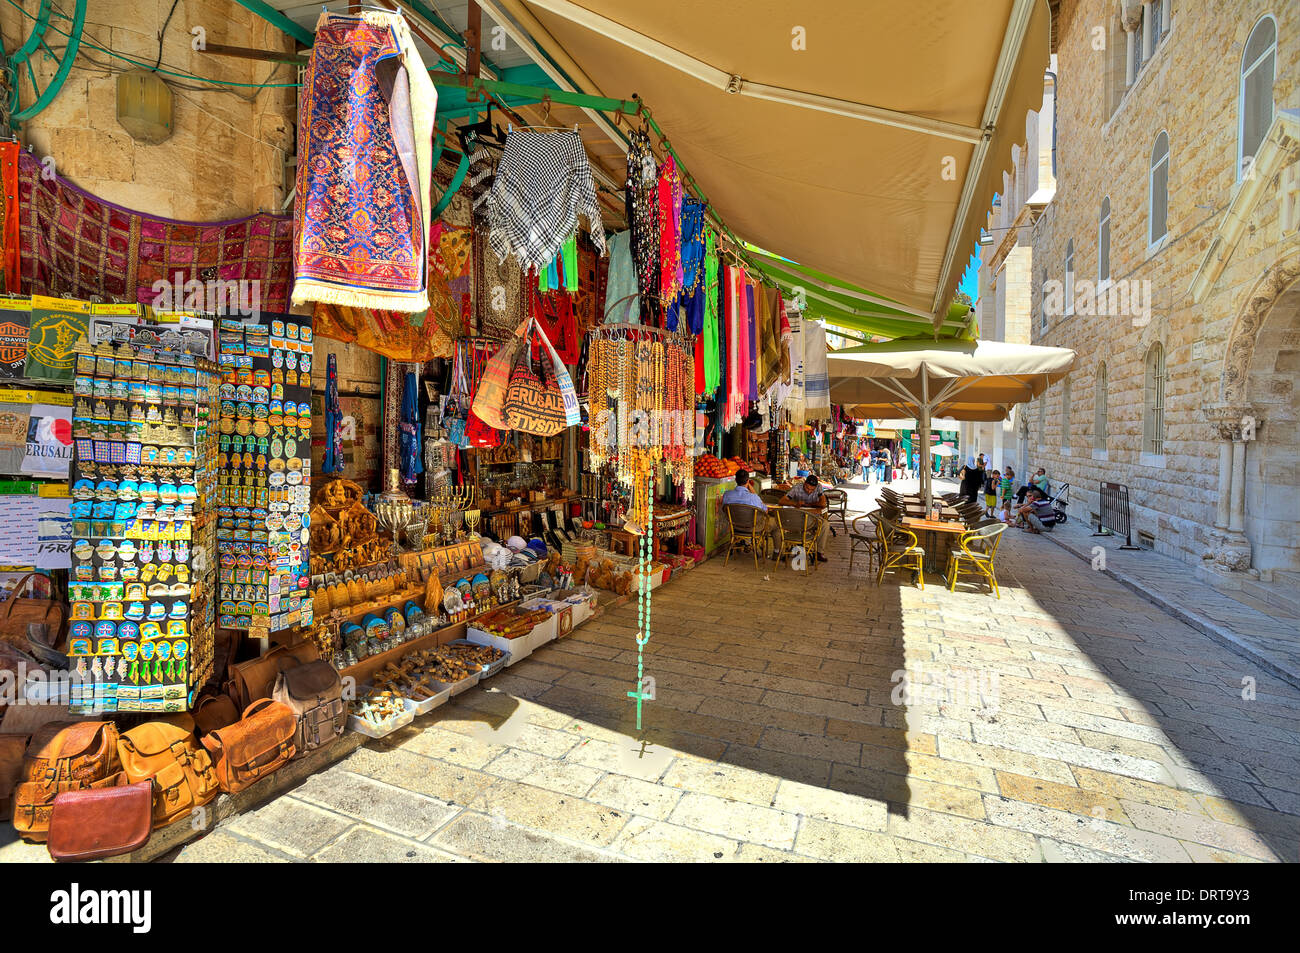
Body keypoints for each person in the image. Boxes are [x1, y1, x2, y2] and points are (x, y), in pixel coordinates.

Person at [779, 473, 831, 562]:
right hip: (798, 518)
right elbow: (781, 501)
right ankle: (786, 549)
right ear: (804, 484)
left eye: (812, 489)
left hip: (813, 518)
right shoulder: (797, 488)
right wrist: (795, 504)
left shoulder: (819, 487)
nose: (809, 491)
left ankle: (819, 552)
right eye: (807, 488)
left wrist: (808, 504)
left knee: (825, 525)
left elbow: (823, 504)